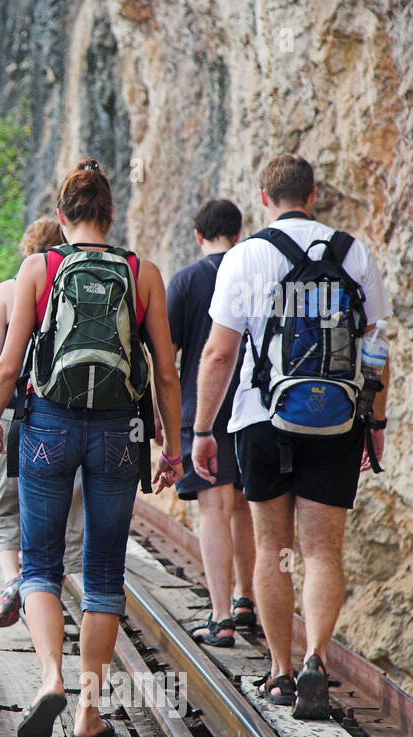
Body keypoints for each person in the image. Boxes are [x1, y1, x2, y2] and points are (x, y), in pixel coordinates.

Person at [0, 159, 183, 737]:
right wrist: (170, 445)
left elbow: (9, 364)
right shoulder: (142, 273)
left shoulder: (38, 269)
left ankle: (50, 677)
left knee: (40, 565)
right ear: (111, 214)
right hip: (120, 435)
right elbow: (165, 375)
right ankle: (89, 708)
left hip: (47, 427)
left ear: (61, 215)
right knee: (103, 573)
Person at [193, 154, 392, 720]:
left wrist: (203, 429)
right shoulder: (354, 254)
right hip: (336, 418)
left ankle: (280, 674)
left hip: (261, 419)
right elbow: (376, 351)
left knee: (276, 549)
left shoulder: (245, 256)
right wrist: (375, 427)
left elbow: (218, 352)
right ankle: (317, 659)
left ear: (263, 197)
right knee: (324, 550)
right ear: (314, 193)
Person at [0, 216, 85, 628]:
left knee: (1, 506)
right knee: (59, 512)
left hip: (13, 414)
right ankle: (48, 588)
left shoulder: (9, 291)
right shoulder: (80, 287)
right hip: (68, 416)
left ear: (26, 250)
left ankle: (14, 580)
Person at [167, 199, 257, 647]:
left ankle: (220, 616)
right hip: (254, 406)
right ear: (240, 233)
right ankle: (246, 599)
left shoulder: (187, 280)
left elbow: (165, 355)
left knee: (214, 509)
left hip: (202, 409)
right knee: (246, 504)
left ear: (198, 236)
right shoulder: (256, 274)